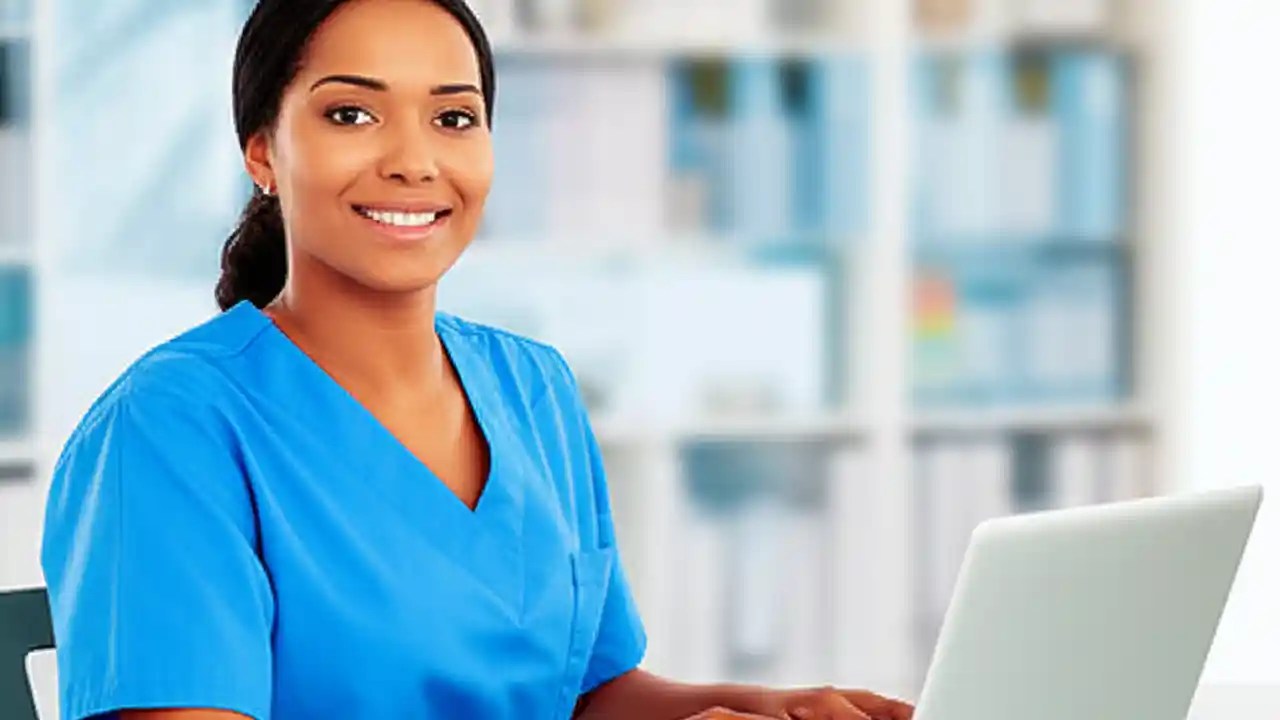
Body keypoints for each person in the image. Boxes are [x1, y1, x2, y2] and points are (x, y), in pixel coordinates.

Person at [39, 1, 915, 718]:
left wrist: (770, 708)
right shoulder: (170, 427)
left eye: (454, 117)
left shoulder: (534, 388)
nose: (416, 161)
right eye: (352, 113)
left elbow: (586, 697)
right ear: (263, 150)